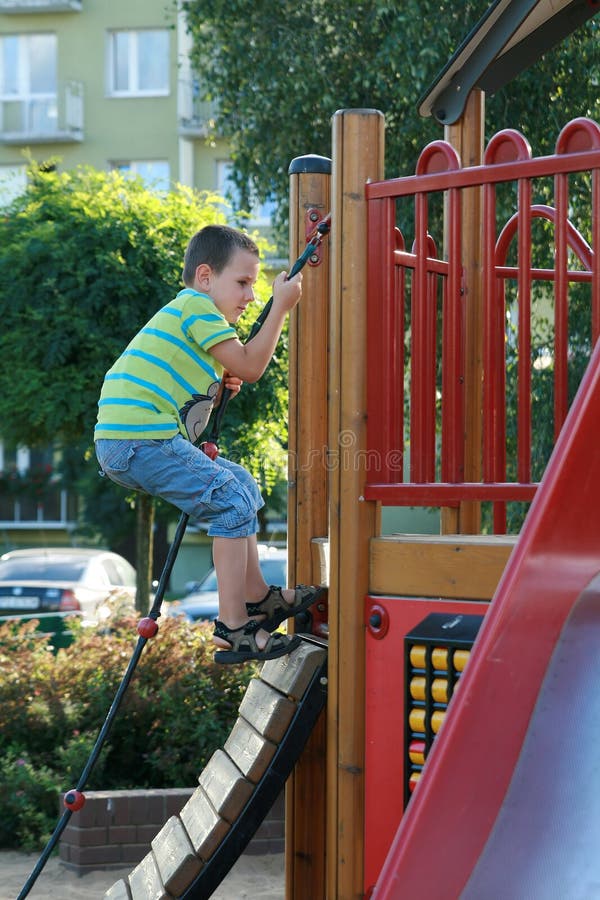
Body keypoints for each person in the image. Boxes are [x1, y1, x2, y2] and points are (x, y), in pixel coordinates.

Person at [95, 224, 323, 663]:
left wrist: (218, 387)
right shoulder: (199, 310)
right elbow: (253, 366)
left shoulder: (190, 318)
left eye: (255, 287)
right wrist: (281, 306)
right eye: (242, 283)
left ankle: (259, 596)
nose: (250, 296)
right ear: (205, 277)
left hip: (134, 437)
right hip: (139, 439)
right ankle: (233, 627)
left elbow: (194, 398)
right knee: (230, 501)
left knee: (241, 484)